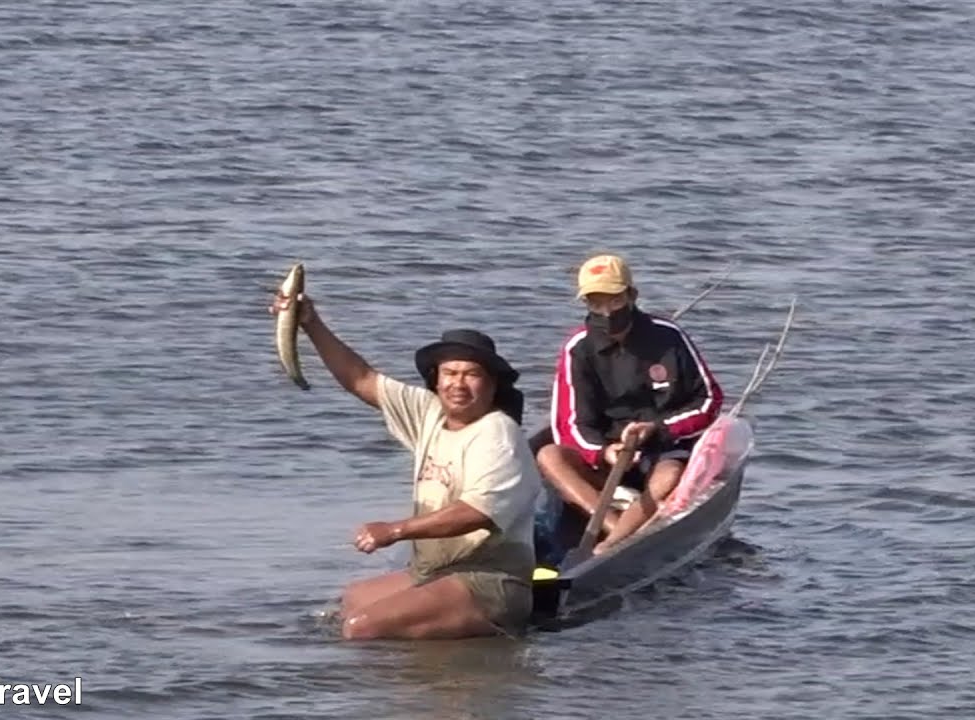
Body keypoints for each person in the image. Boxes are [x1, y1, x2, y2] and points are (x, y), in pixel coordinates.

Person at [269, 286, 541, 641]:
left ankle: (410, 686)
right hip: (435, 570)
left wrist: (395, 530)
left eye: (471, 374)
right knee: (350, 603)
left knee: (362, 627)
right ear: (436, 379)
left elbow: (477, 512)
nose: (458, 383)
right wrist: (310, 323)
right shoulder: (429, 411)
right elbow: (361, 379)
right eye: (450, 373)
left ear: (491, 385)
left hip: (492, 577)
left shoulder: (498, 435)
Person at [533, 253, 724, 554]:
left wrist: (657, 429)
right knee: (549, 455)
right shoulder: (578, 349)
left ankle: (610, 544)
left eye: (615, 300)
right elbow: (569, 424)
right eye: (596, 303)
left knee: (668, 477)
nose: (606, 311)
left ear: (631, 296)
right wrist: (604, 452)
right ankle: (614, 525)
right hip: (610, 452)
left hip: (662, 445)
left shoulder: (669, 337)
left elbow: (709, 400)